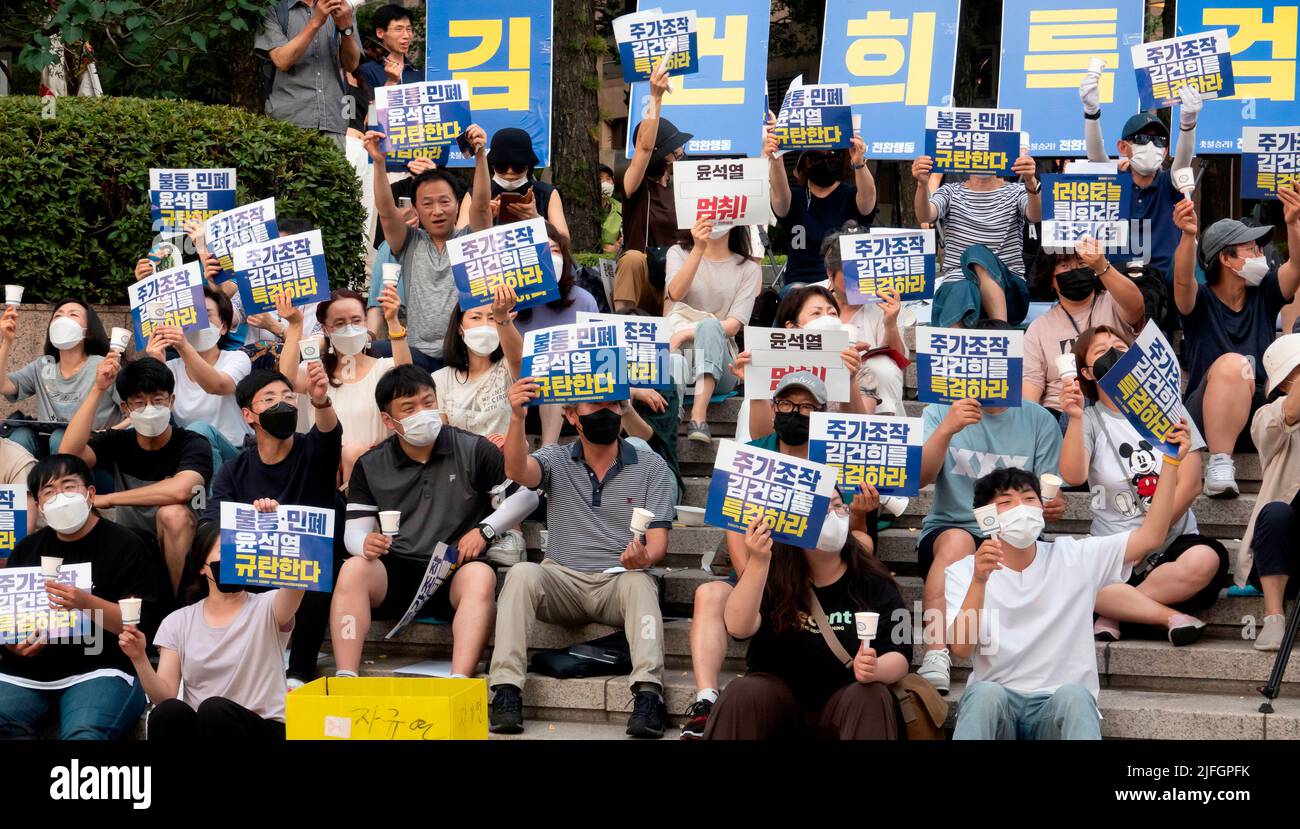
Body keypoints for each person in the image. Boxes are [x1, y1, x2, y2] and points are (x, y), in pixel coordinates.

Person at [947, 431, 1190, 739]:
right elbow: (960, 649)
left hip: (1056, 709)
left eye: (1030, 499)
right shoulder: (963, 571)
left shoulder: (1073, 556)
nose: (1022, 507)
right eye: (1007, 502)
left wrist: (1170, 462)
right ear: (985, 517)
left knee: (1075, 696)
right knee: (984, 695)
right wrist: (980, 581)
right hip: (999, 707)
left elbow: (1151, 537)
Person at [681, 370, 880, 739]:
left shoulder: (837, 460)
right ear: (774, 408)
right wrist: (758, 577)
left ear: (820, 413)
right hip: (762, 567)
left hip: (822, 571)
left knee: (865, 546)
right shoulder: (752, 454)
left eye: (806, 407)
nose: (794, 412)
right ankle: (707, 699)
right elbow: (735, 527)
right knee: (709, 594)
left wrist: (861, 512)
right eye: (787, 404)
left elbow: (858, 542)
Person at [489, 377, 674, 738]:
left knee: (641, 582)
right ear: (572, 415)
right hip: (563, 578)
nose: (605, 412)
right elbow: (516, 471)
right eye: (594, 406)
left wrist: (643, 557)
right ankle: (507, 689)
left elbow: (658, 544)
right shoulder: (556, 458)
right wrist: (515, 418)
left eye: (612, 404)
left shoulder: (651, 467)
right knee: (522, 573)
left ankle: (649, 694)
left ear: (622, 408)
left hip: (618, 579)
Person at [330, 366, 539, 678]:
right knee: (353, 567)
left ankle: (459, 679)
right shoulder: (371, 464)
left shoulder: (474, 448)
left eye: (428, 403)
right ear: (389, 421)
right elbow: (355, 531)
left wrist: (484, 530)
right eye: (409, 408)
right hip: (397, 571)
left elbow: (527, 498)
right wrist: (365, 542)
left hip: (456, 568)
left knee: (481, 576)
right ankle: (346, 675)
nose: (423, 413)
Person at [914, 320, 1066, 694]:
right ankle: (936, 650)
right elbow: (918, 479)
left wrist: (1052, 505)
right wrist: (947, 428)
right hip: (952, 526)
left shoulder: (1039, 419)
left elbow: (1047, 490)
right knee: (956, 544)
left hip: (1019, 530)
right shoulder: (939, 411)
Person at [1059, 326, 1223, 643]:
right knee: (1077, 578)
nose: (1112, 353)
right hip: (1115, 547)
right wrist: (1075, 418)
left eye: (1119, 345)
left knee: (1206, 560)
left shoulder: (1171, 409)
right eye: (1100, 350)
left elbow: (1189, 486)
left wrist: (1148, 540)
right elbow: (1074, 476)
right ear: (1086, 372)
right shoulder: (1091, 419)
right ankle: (1166, 616)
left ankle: (1115, 610)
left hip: (1172, 544)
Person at [703, 500, 905, 740]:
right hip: (776, 707)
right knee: (742, 692)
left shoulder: (875, 583)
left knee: (871, 696)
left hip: (847, 708)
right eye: (822, 507)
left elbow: (901, 654)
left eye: (839, 506)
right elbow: (738, 627)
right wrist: (758, 561)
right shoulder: (772, 574)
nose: (833, 513)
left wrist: (875, 669)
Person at [0, 454, 160, 740]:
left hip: (100, 670)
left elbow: (142, 623)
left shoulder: (127, 545)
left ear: (90, 494)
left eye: (69, 486)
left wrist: (86, 603)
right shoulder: (26, 549)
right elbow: (8, 619)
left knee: (84, 735)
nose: (60, 497)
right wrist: (13, 645)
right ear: (39, 507)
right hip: (24, 674)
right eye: (48, 492)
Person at [201, 367, 342, 686]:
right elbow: (211, 522)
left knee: (315, 576)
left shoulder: (312, 451)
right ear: (248, 414)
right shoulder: (234, 471)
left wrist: (320, 402)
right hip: (257, 565)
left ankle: (299, 673)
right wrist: (253, 521)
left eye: (288, 397)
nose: (282, 404)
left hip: (307, 568)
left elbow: (330, 435)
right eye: (270, 398)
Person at [118, 521, 302, 740]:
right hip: (205, 728)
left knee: (214, 710)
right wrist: (139, 657)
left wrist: (273, 523)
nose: (233, 558)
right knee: (168, 713)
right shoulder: (178, 621)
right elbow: (165, 695)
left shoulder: (269, 605)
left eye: (240, 551)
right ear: (202, 566)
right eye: (226, 551)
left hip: (261, 728)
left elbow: (298, 577)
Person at [1173, 186, 1300, 496]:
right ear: (1226, 260)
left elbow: (1296, 267)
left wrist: (1294, 223)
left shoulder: (1264, 294)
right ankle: (1219, 462)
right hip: (1206, 414)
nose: (1261, 256)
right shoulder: (1200, 302)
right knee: (1234, 365)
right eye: (1251, 249)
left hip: (1258, 413)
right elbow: (1182, 280)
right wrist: (1188, 236)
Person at [59, 354, 214, 596]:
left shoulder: (193, 443)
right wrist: (98, 390)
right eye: (140, 403)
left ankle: (181, 607)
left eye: (158, 400)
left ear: (171, 401)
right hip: (133, 542)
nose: (150, 409)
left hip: (188, 547)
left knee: (172, 513)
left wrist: (110, 499)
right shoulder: (118, 441)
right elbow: (67, 456)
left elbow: (181, 490)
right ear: (126, 408)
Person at [364, 123, 492, 372]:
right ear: (415, 208)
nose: (437, 211)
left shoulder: (470, 240)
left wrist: (480, 155)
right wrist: (379, 163)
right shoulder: (409, 242)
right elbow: (387, 212)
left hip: (464, 353)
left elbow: (482, 207)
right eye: (427, 203)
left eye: (444, 201)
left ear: (457, 204)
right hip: (417, 353)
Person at [280, 288, 408, 484]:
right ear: (325, 329)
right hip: (328, 476)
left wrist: (392, 320)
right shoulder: (315, 371)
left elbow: (408, 379)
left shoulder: (385, 368)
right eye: (339, 323)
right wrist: (295, 324)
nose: (349, 328)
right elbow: (286, 378)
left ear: (366, 322)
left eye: (356, 321)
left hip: (380, 474)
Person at [1081, 75, 1202, 280]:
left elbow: (1182, 162)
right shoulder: (1114, 182)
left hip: (1164, 286)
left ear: (1165, 151)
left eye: (1158, 141)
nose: (1150, 146)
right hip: (1116, 283)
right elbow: (1096, 159)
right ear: (1123, 147)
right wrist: (1091, 114)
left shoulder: (1169, 184)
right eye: (1143, 138)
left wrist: (1188, 124)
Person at [911, 145, 1041, 327]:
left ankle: (999, 330)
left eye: (989, 150)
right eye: (976, 150)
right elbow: (925, 216)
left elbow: (1036, 215)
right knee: (963, 287)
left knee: (976, 254)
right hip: (958, 288)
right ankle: (955, 350)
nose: (982, 156)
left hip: (1009, 292)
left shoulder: (1016, 191)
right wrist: (922, 184)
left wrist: (1030, 182)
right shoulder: (950, 191)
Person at [1022, 238, 1145, 424]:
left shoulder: (1113, 301)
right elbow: (1031, 387)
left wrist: (1101, 265)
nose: (1075, 270)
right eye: (1064, 265)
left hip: (1118, 405)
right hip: (1062, 412)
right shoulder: (1039, 327)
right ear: (1050, 279)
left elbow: (1136, 306)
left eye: (1081, 262)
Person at [733, 285, 871, 441]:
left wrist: (850, 379)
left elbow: (860, 432)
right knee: (747, 405)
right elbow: (762, 439)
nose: (827, 319)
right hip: (785, 455)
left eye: (832, 313)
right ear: (792, 327)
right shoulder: (772, 368)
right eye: (816, 313)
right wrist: (755, 386)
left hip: (834, 452)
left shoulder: (860, 371)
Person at [665, 218, 761, 442]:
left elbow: (733, 325)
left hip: (722, 363)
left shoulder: (748, 269)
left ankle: (699, 417)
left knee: (710, 325)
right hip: (680, 357)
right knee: (676, 359)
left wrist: (686, 333)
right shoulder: (677, 253)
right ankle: (673, 419)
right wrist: (699, 248)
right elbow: (675, 293)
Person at [512, 222, 602, 445]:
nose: (550, 258)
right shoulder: (510, 304)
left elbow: (598, 354)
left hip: (568, 391)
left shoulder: (583, 300)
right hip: (519, 388)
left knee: (556, 377)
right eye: (541, 252)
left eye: (554, 251)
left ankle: (547, 452)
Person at [1239, 334, 1300, 650]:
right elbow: (1285, 418)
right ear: (1288, 382)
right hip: (1283, 553)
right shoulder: (1269, 413)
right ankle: (1274, 617)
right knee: (1275, 512)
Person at [616, 60, 690, 315]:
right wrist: (654, 97)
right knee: (633, 258)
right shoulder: (635, 187)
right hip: (645, 283)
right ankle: (622, 323)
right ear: (661, 154)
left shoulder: (686, 187)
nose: (681, 152)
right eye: (675, 148)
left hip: (679, 284)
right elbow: (644, 149)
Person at [764, 121, 878, 288]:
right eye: (816, 157)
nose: (825, 161)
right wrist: (776, 157)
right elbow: (780, 192)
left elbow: (869, 197)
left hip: (844, 285)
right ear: (803, 164)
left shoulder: (851, 195)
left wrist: (859, 163)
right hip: (800, 285)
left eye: (832, 155)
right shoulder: (793, 198)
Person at [0, 299, 118, 457]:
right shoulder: (43, 365)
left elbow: (133, 410)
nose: (63, 319)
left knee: (59, 438)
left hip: (90, 449)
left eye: (73, 314)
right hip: (47, 444)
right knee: (20, 436)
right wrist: (7, 341)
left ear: (88, 331)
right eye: (58, 316)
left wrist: (109, 433)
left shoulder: (105, 367)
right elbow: (3, 385)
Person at [146, 286, 253, 460]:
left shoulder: (237, 359)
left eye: (207, 315)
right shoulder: (170, 367)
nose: (199, 323)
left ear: (224, 327)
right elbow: (152, 412)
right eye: (193, 316)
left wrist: (182, 346)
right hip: (189, 455)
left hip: (234, 453)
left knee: (200, 431)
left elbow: (218, 385)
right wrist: (156, 364)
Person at [815, 227, 909, 416]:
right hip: (819, 382)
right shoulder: (811, 298)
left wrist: (890, 323)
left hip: (872, 392)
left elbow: (898, 364)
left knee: (880, 366)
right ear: (830, 274)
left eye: (864, 274)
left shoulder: (884, 301)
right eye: (851, 276)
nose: (859, 282)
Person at [254, 0, 362, 150]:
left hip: (333, 120)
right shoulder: (273, 9)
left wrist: (346, 29)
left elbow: (351, 65)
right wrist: (316, 21)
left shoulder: (342, 7)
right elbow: (282, 60)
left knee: (333, 173)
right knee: (289, 173)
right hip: (288, 122)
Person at [433, 285, 523, 444]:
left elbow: (518, 360)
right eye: (475, 317)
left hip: (505, 461)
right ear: (460, 327)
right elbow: (439, 435)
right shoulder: (440, 379)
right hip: (462, 464)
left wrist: (502, 317)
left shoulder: (507, 368)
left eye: (491, 318)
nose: (485, 325)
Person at [458, 127, 570, 241]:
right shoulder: (474, 194)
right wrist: (481, 219)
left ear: (528, 165)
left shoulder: (547, 193)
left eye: (518, 166)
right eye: (502, 166)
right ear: (492, 165)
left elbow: (564, 242)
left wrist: (537, 219)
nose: (510, 171)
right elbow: (458, 243)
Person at [356, 4, 421, 93]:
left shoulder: (419, 72)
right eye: (398, 29)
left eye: (409, 29)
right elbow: (368, 106)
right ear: (380, 33)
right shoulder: (366, 71)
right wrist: (391, 82)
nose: (406, 36)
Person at [599, 164, 623, 253]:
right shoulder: (583, 208)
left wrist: (619, 243)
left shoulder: (619, 207)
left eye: (608, 179)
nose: (605, 183)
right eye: (600, 178)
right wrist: (604, 246)